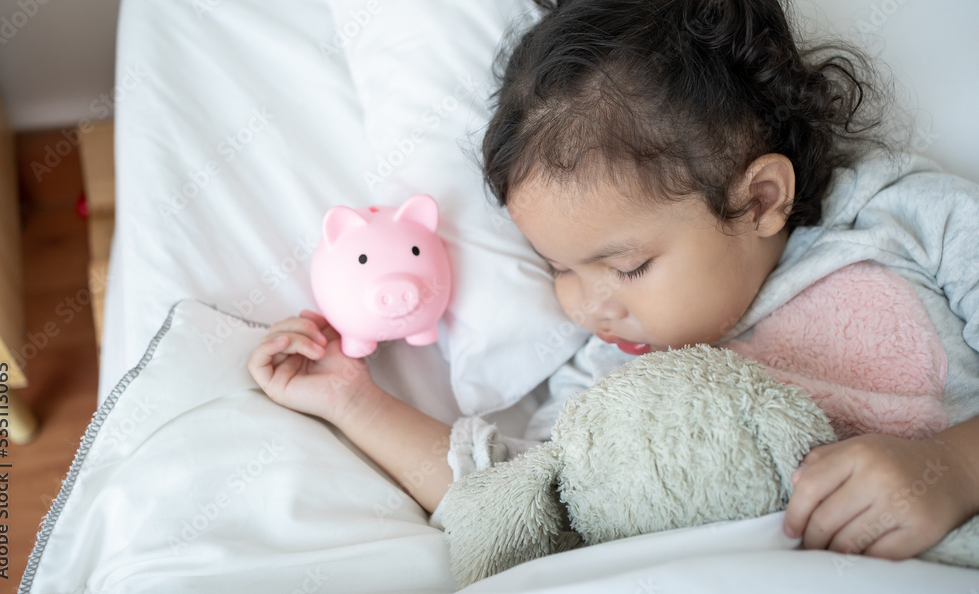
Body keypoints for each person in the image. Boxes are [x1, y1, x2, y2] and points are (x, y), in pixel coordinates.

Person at [249, 0, 979, 561]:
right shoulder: (610, 377)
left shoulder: (905, 219)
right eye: (557, 269)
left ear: (760, 200)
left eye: (628, 266)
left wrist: (953, 468)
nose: (588, 306)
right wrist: (353, 402)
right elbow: (517, 503)